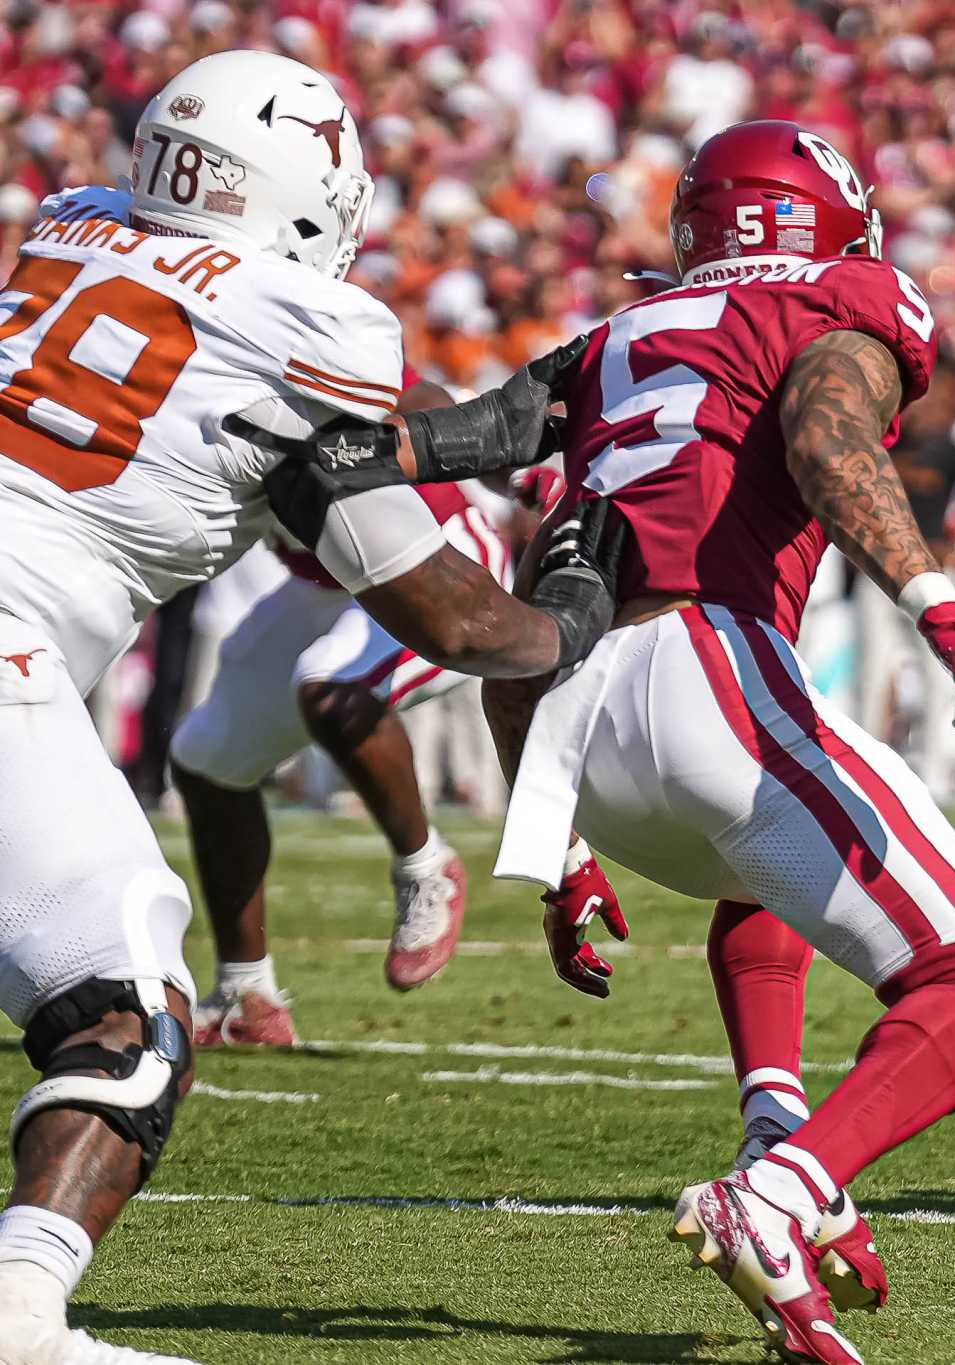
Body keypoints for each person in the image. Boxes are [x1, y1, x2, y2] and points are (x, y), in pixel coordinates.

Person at [307, 121, 955, 1365]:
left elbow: (495, 512)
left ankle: (772, 1128)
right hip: (704, 666)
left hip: (573, 710)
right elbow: (825, 441)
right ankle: (783, 1195)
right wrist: (941, 602)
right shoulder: (838, 296)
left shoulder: (614, 344)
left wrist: (565, 833)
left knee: (765, 871)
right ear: (822, 220)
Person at [0, 52, 617, 1364]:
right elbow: (446, 617)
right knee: (121, 1009)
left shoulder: (73, 228)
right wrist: (569, 612)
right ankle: (22, 1316)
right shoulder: (304, 320)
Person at [167, 375, 520, 1046]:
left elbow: (423, 400)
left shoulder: (285, 334)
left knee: (327, 685)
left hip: (432, 559)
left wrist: (443, 449)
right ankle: (247, 993)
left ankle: (426, 868)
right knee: (207, 759)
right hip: (324, 581)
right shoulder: (174, 374)